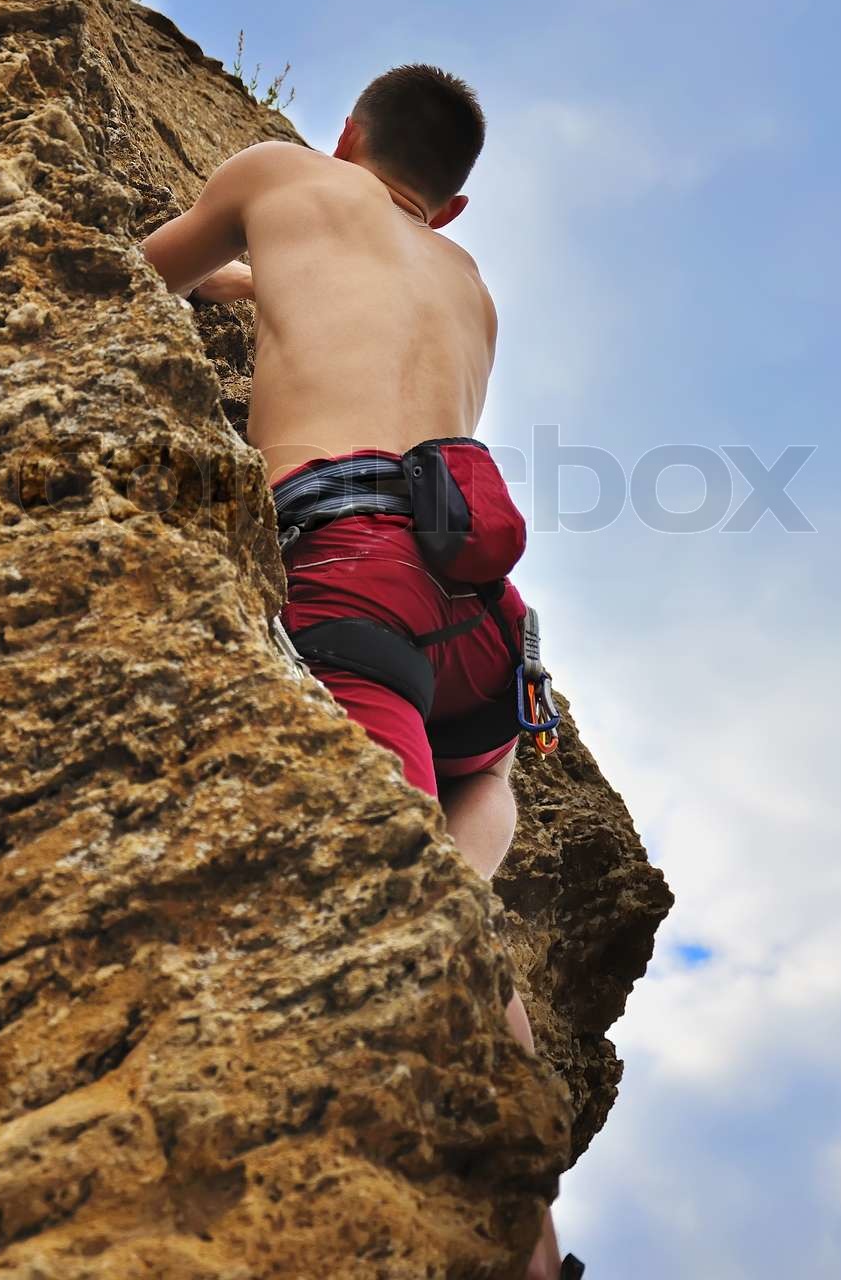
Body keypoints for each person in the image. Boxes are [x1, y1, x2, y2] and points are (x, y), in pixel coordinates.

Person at [141, 64, 575, 1280]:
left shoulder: (283, 173)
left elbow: (138, 274)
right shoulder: (470, 284)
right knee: (464, 819)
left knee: (396, 890)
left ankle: (444, 908)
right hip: (482, 608)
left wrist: (241, 278)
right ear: (450, 208)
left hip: (351, 566)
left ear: (344, 133)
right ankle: (538, 1245)